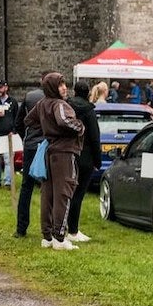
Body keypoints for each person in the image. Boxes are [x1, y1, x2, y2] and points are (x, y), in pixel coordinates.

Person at [26, 72, 85, 250]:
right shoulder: (59, 104)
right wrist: (80, 127)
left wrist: (47, 129)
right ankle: (59, 237)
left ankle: (47, 236)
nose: (64, 88)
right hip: (64, 153)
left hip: (50, 152)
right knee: (64, 194)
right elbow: (64, 121)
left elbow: (28, 120)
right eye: (60, 85)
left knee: (48, 194)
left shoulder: (42, 104)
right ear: (53, 87)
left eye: (64, 84)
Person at [65, 79, 102, 244]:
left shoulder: (66, 107)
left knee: (66, 193)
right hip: (85, 156)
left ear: (74, 91)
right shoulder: (89, 111)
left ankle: (62, 226)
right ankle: (73, 230)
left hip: (68, 153)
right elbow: (94, 137)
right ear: (87, 93)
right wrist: (98, 161)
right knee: (78, 194)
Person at [13, 86, 45, 237]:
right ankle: (51, 228)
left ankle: (21, 228)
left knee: (26, 187)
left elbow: (18, 123)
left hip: (31, 145)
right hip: (48, 145)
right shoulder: (57, 100)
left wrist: (25, 138)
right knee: (50, 187)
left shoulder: (30, 97)